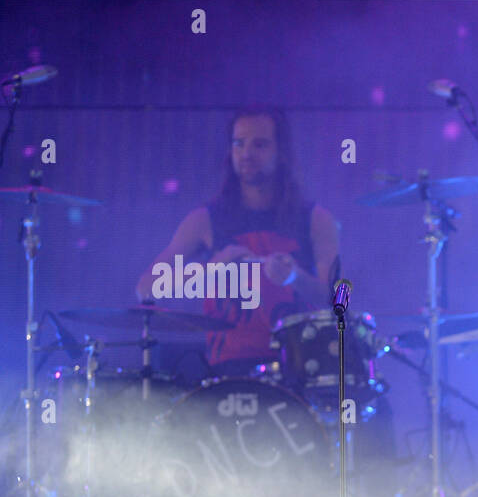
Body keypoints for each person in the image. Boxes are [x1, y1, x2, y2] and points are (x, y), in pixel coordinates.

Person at [134, 106, 340, 377]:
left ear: (281, 152)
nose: (246, 154)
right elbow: (145, 289)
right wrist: (211, 270)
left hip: (298, 371)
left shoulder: (316, 219)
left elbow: (341, 299)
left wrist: (296, 277)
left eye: (260, 144)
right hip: (225, 375)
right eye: (238, 144)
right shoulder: (204, 220)